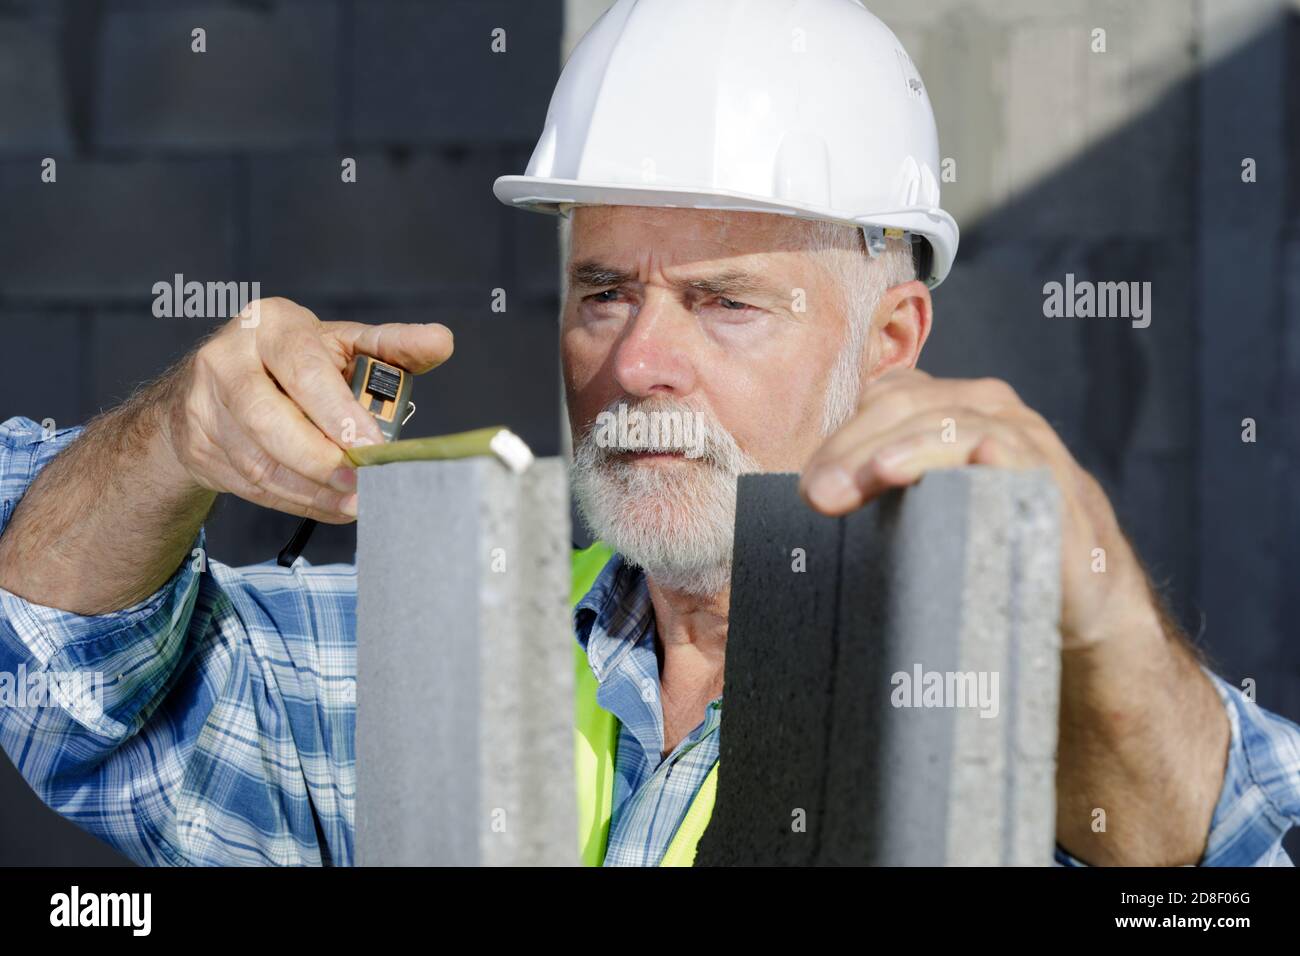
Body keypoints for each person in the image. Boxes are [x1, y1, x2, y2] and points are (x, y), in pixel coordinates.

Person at [1, 0, 1297, 867]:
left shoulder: (991, 718)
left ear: (892, 341)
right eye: (604, 293)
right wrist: (171, 439)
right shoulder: (430, 655)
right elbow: (60, 679)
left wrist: (1109, 637)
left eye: (725, 301)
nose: (637, 361)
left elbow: (1244, 845)